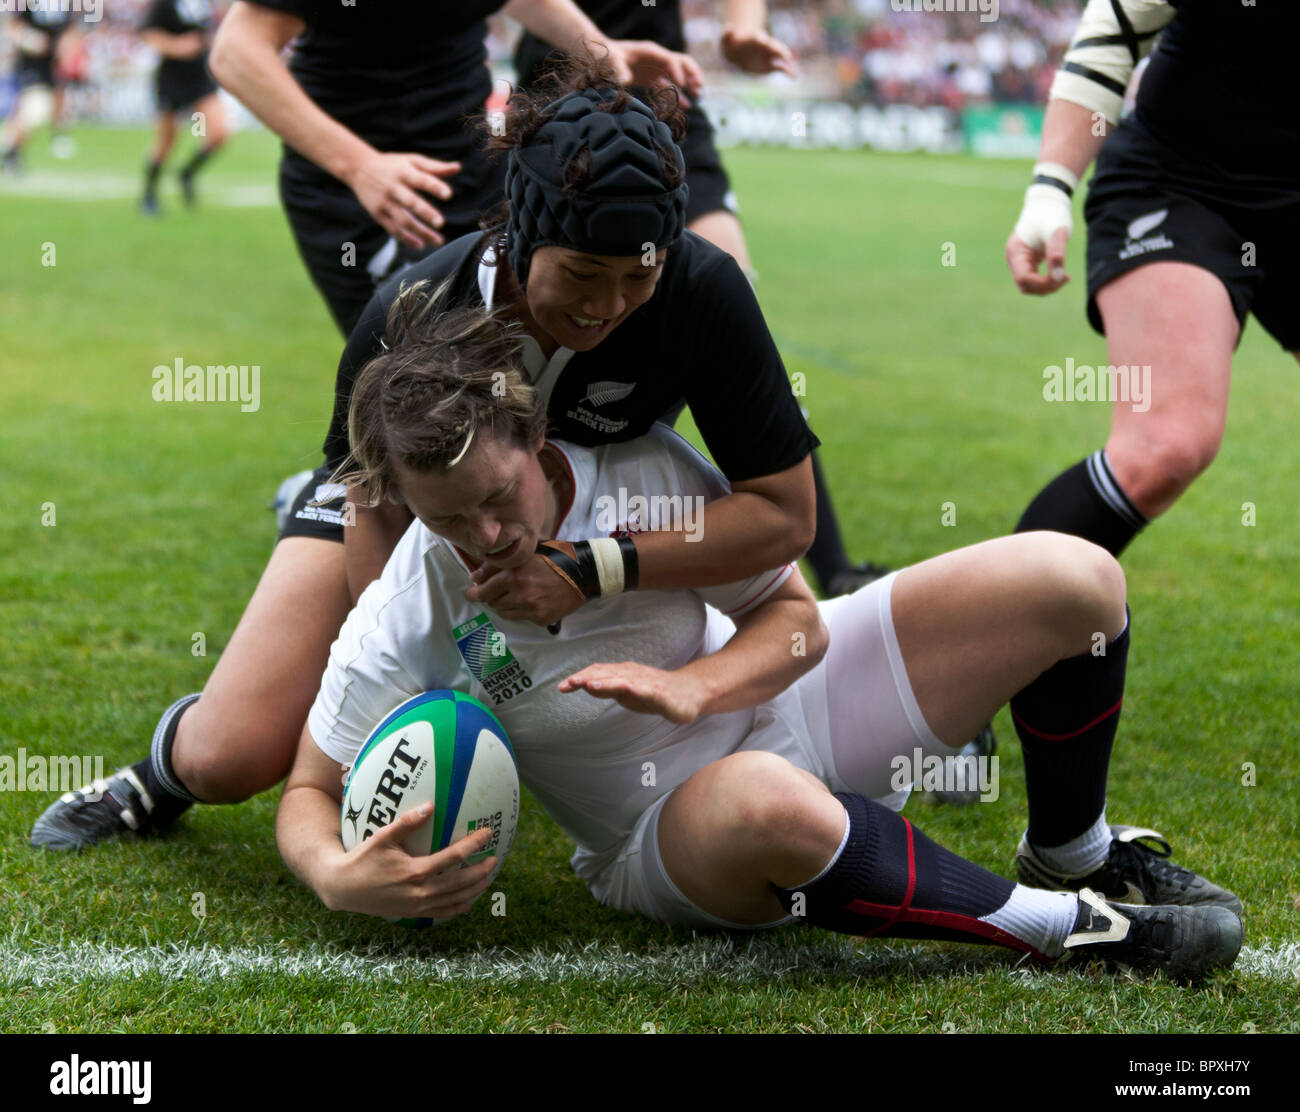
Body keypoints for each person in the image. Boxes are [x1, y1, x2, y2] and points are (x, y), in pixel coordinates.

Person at [275, 294, 1242, 982]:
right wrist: (336, 874)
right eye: (447, 521)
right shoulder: (415, 596)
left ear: (533, 440)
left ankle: (1070, 852)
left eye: (497, 500)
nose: (483, 538)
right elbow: (310, 791)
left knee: (1077, 577)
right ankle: (1066, 928)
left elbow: (794, 621)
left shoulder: (644, 469)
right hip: (667, 833)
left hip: (792, 704)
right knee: (769, 804)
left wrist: (700, 688)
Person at [30, 65, 820, 852]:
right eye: (581, 274)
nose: (606, 305)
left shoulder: (701, 292)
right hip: (410, 512)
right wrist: (442, 668)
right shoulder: (411, 309)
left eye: (636, 278)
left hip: (594, 510)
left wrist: (591, 567)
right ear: (525, 237)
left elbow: (785, 515)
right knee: (230, 757)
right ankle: (156, 776)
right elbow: (376, 518)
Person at [516, 1, 887, 603]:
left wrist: (746, 26)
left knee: (722, 302)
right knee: (498, 338)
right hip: (559, 120)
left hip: (666, 113)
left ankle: (825, 562)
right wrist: (596, 46)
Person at [209, 0, 702, 335]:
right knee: (421, 385)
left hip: (476, 170)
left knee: (513, 361)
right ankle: (338, 483)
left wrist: (600, 47)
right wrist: (358, 166)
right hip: (361, 191)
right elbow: (235, 52)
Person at [1005, 0, 1299, 559]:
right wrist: (1050, 189)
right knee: (1164, 448)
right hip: (1181, 182)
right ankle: (990, 632)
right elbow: (1111, 37)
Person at [139, 0, 230, 215]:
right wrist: (177, 46)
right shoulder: (164, 4)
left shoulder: (205, 3)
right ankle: (149, 194)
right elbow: (148, 33)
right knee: (167, 141)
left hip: (200, 77)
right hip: (171, 78)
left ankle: (187, 172)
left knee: (219, 133)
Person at [1, 4, 75, 172]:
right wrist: (30, 40)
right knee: (33, 110)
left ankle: (11, 151)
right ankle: (11, 151)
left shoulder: (64, 7)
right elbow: (13, 27)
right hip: (31, 65)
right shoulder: (30, 5)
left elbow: (67, 33)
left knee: (33, 113)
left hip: (50, 66)